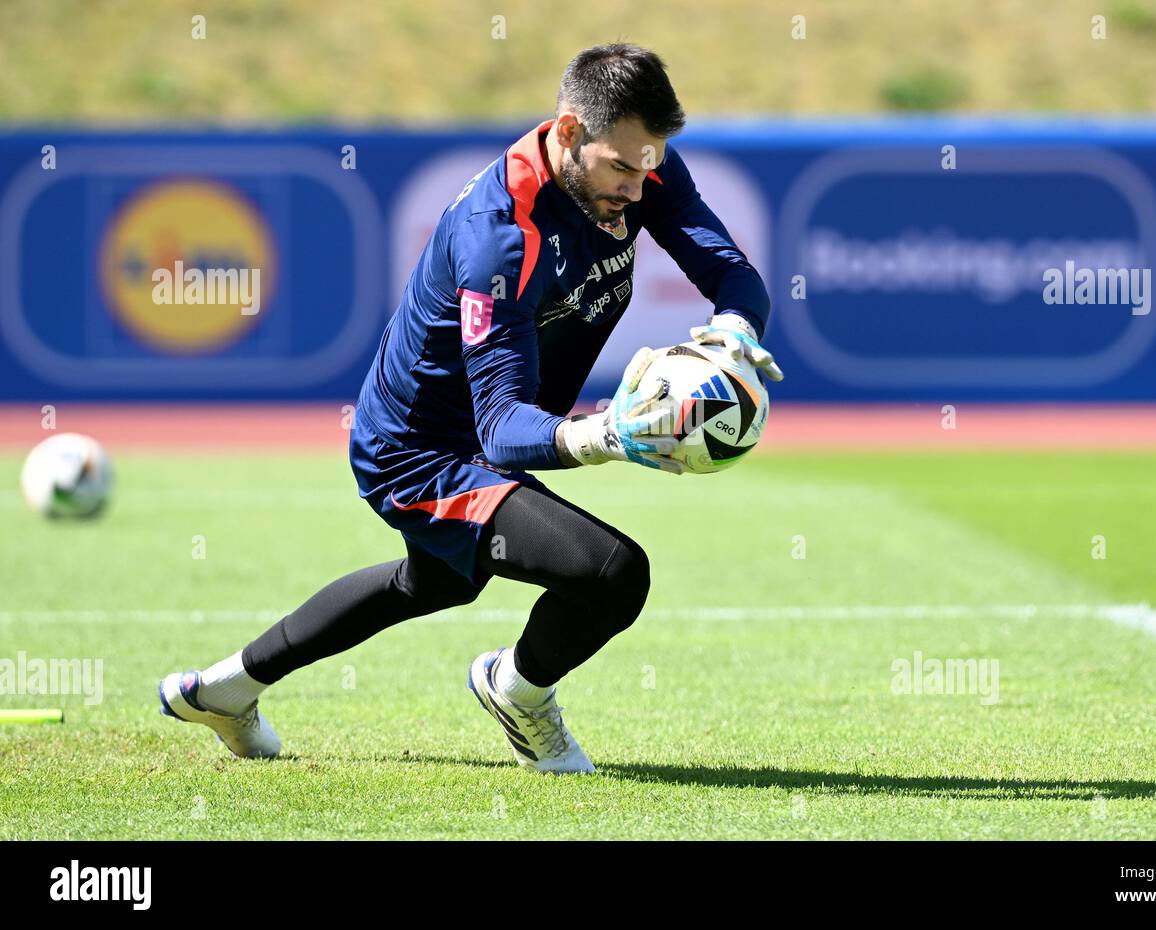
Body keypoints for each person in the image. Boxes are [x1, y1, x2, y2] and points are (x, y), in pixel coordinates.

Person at [158, 42, 782, 774]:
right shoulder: (500, 235)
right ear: (571, 131)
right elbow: (502, 427)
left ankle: (223, 690)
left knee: (434, 582)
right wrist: (603, 434)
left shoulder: (637, 165)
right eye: (623, 167)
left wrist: (737, 328)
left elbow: (730, 271)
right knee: (614, 573)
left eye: (650, 167)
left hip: (480, 436)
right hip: (417, 451)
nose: (640, 189)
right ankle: (516, 692)